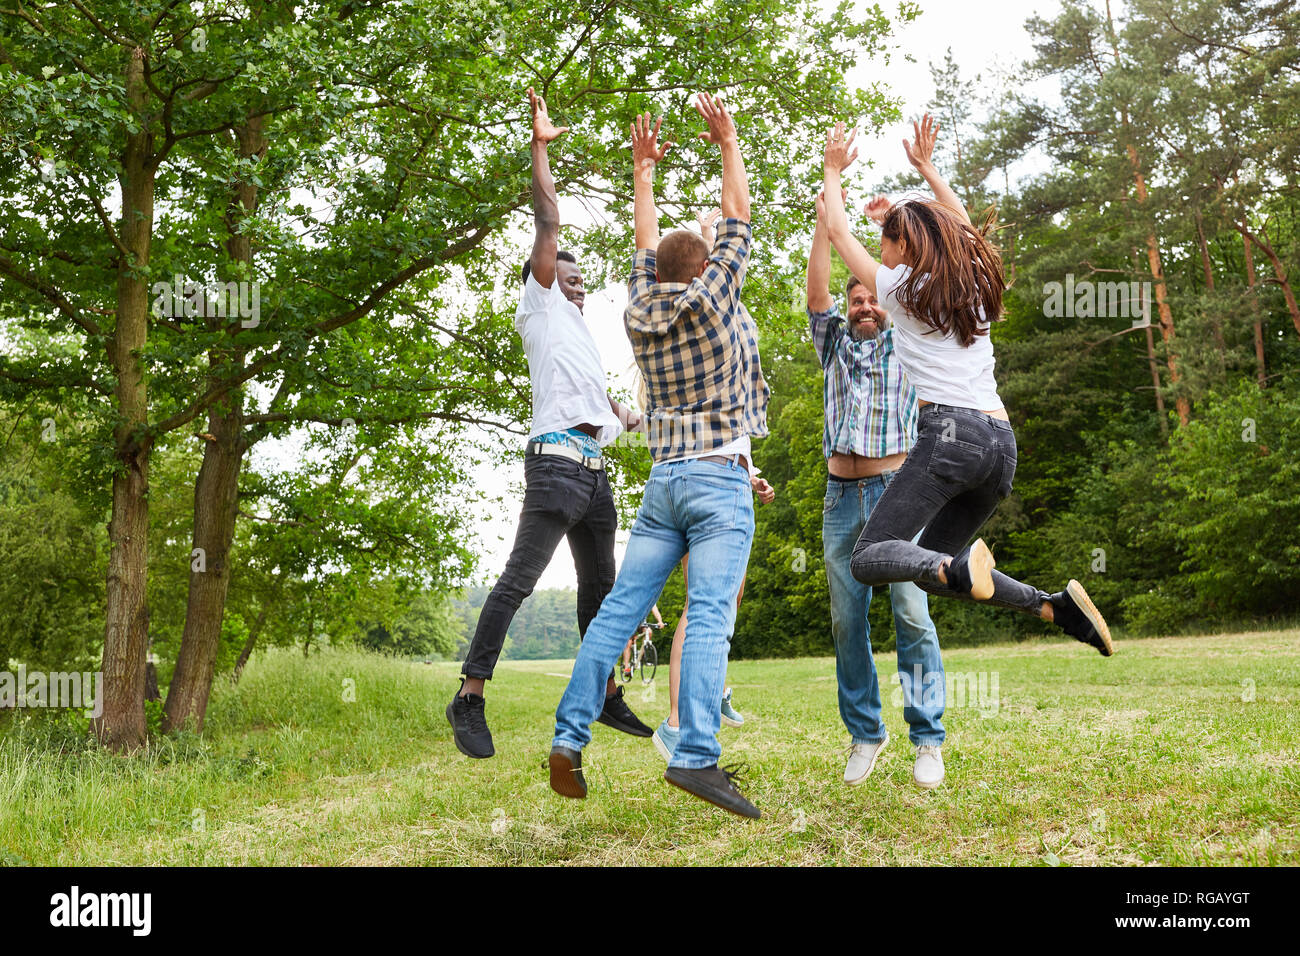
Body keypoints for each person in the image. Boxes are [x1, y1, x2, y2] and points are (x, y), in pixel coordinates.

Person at [548, 93, 769, 819]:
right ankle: (696, 756)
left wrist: (643, 173)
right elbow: (738, 213)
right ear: (706, 266)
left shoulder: (638, 309)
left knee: (616, 615)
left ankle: (569, 735)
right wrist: (729, 142)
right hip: (717, 483)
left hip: (664, 485)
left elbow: (648, 248)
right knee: (707, 615)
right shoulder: (715, 297)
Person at [819, 113, 1114, 656]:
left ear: (900, 247)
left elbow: (838, 232)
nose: (879, 257)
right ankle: (1054, 607)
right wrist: (928, 169)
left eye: (885, 245)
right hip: (1000, 448)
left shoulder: (901, 288)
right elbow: (963, 227)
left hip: (949, 436)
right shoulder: (972, 279)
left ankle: (952, 566)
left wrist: (832, 171)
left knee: (869, 557)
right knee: (940, 570)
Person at [446, 88, 652, 760]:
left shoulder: (586, 343)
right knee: (518, 580)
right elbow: (547, 217)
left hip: (595, 477)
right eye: (566, 277)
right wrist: (539, 147)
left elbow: (619, 416)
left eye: (581, 280)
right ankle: (470, 695)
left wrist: (647, 414)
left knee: (602, 593)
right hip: (556, 468)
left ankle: (605, 694)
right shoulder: (539, 307)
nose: (577, 284)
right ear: (540, 280)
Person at [807, 184, 948, 789]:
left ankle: (927, 739)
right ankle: (866, 733)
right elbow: (817, 296)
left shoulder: (904, 338)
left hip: (897, 491)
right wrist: (823, 224)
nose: (865, 306)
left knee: (911, 613)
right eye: (855, 299)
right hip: (841, 498)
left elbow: (906, 269)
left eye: (873, 298)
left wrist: (896, 214)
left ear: (888, 302)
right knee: (847, 622)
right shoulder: (834, 342)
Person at [649, 209, 773, 763]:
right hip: (696, 474)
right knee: (703, 606)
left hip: (726, 468)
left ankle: (711, 693)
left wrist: (748, 471)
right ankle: (678, 721)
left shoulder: (728, 328)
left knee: (723, 601)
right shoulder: (692, 319)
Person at [622, 604, 664, 681]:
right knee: (628, 642)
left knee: (649, 632)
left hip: (642, 624)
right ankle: (626, 667)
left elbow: (655, 609)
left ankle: (640, 656)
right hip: (630, 623)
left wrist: (660, 621)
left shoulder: (650, 597)